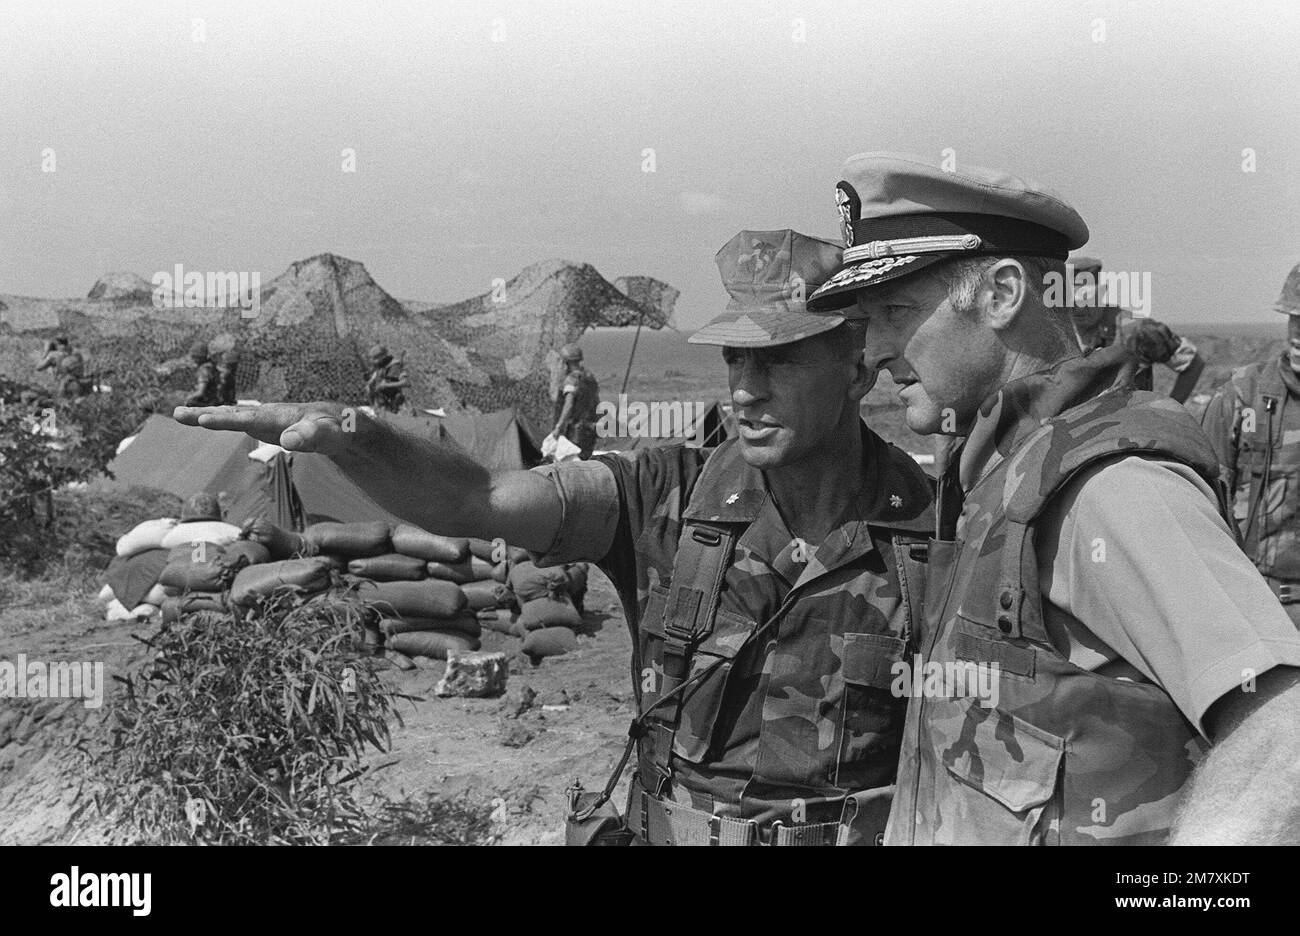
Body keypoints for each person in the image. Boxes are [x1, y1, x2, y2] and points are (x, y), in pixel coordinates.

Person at [176, 228, 935, 846]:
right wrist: (359, 437)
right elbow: (480, 496)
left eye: (778, 359)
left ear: (856, 368)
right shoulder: (662, 494)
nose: (744, 388)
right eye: (737, 358)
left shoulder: (937, 526)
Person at [805, 151, 1300, 845]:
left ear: (1004, 294)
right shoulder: (995, 471)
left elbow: (1284, 736)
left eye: (895, 310)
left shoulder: (1109, 485)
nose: (875, 348)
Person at [1201, 259, 1300, 628]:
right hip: (1258, 604)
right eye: (1294, 317)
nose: (1298, 333)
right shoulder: (1243, 396)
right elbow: (1202, 504)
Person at [1067, 255, 1205, 402]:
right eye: (1071, 300)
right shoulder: (1062, 333)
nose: (1079, 308)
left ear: (1101, 293)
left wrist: (1170, 411)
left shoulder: (1134, 328)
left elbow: (1193, 363)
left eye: (1086, 298)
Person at [548, 343, 600, 459]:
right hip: (591, 430)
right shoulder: (590, 378)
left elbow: (568, 405)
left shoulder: (571, 380)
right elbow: (597, 402)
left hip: (575, 433)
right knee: (585, 462)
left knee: (571, 466)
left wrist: (559, 427)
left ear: (566, 363)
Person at [364, 344, 410, 414]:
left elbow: (406, 382)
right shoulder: (381, 367)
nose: (374, 361)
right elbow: (374, 380)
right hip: (381, 403)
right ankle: (376, 410)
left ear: (383, 356)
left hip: (395, 402)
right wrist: (370, 383)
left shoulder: (394, 366)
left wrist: (386, 385)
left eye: (376, 358)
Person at [184, 341, 221, 408]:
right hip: (216, 400)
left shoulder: (204, 370)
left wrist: (187, 398)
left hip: (208, 403)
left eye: (193, 356)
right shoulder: (212, 366)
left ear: (197, 357)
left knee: (186, 404)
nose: (192, 359)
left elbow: (200, 392)